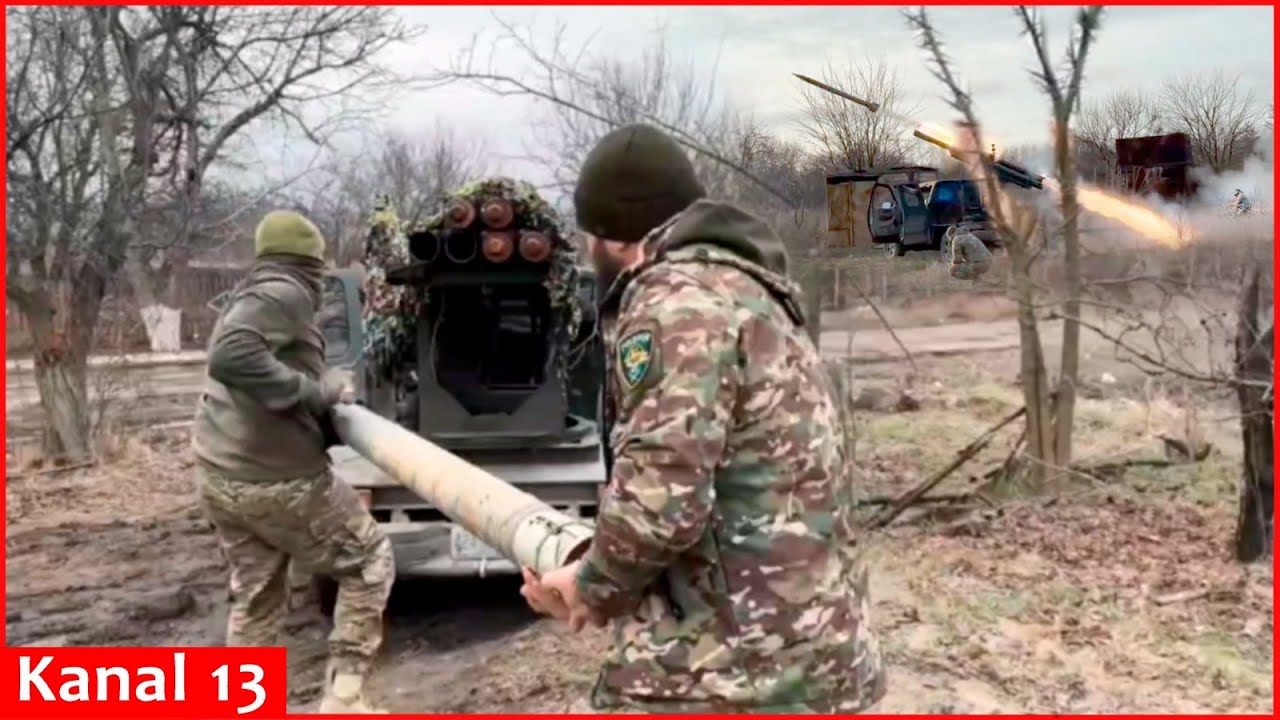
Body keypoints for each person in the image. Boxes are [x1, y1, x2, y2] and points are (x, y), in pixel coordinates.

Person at [519, 124, 886, 713]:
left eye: (589, 235)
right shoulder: (754, 292)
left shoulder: (674, 303)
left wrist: (592, 586)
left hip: (731, 671)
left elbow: (662, 495)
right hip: (815, 646)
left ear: (612, 236)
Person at [192, 210, 394, 714]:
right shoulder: (284, 292)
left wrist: (319, 395)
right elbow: (231, 355)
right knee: (369, 561)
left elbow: (250, 357)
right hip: (276, 478)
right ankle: (345, 699)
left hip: (222, 474)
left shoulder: (251, 292)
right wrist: (310, 394)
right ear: (310, 259)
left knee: (257, 595)